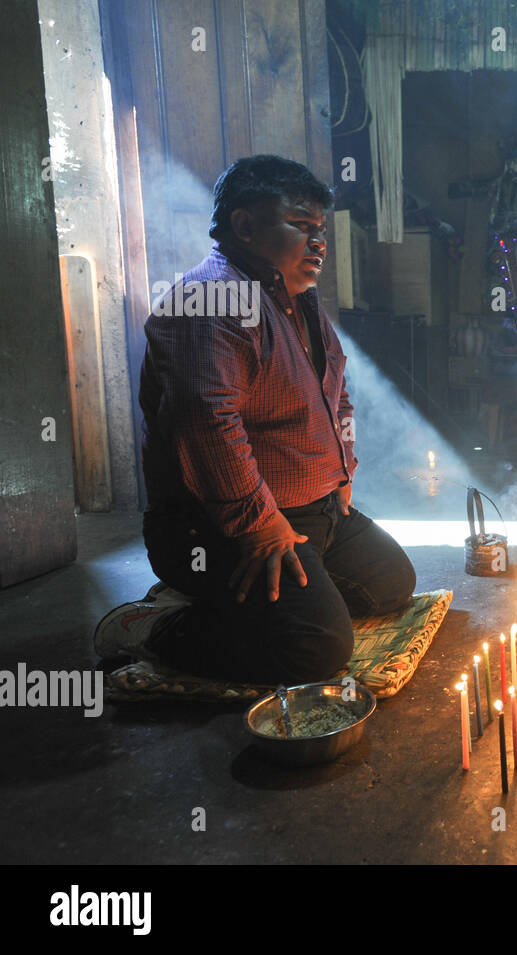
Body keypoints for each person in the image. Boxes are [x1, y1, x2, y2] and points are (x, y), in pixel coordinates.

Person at [94, 155, 417, 685]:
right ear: (244, 225)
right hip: (223, 527)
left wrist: (343, 475)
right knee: (315, 647)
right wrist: (259, 526)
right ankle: (152, 629)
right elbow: (206, 422)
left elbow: (339, 398)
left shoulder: (297, 302)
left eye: (321, 230)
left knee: (390, 583)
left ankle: (241, 596)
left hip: (314, 512)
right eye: (301, 225)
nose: (319, 243)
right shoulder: (209, 301)